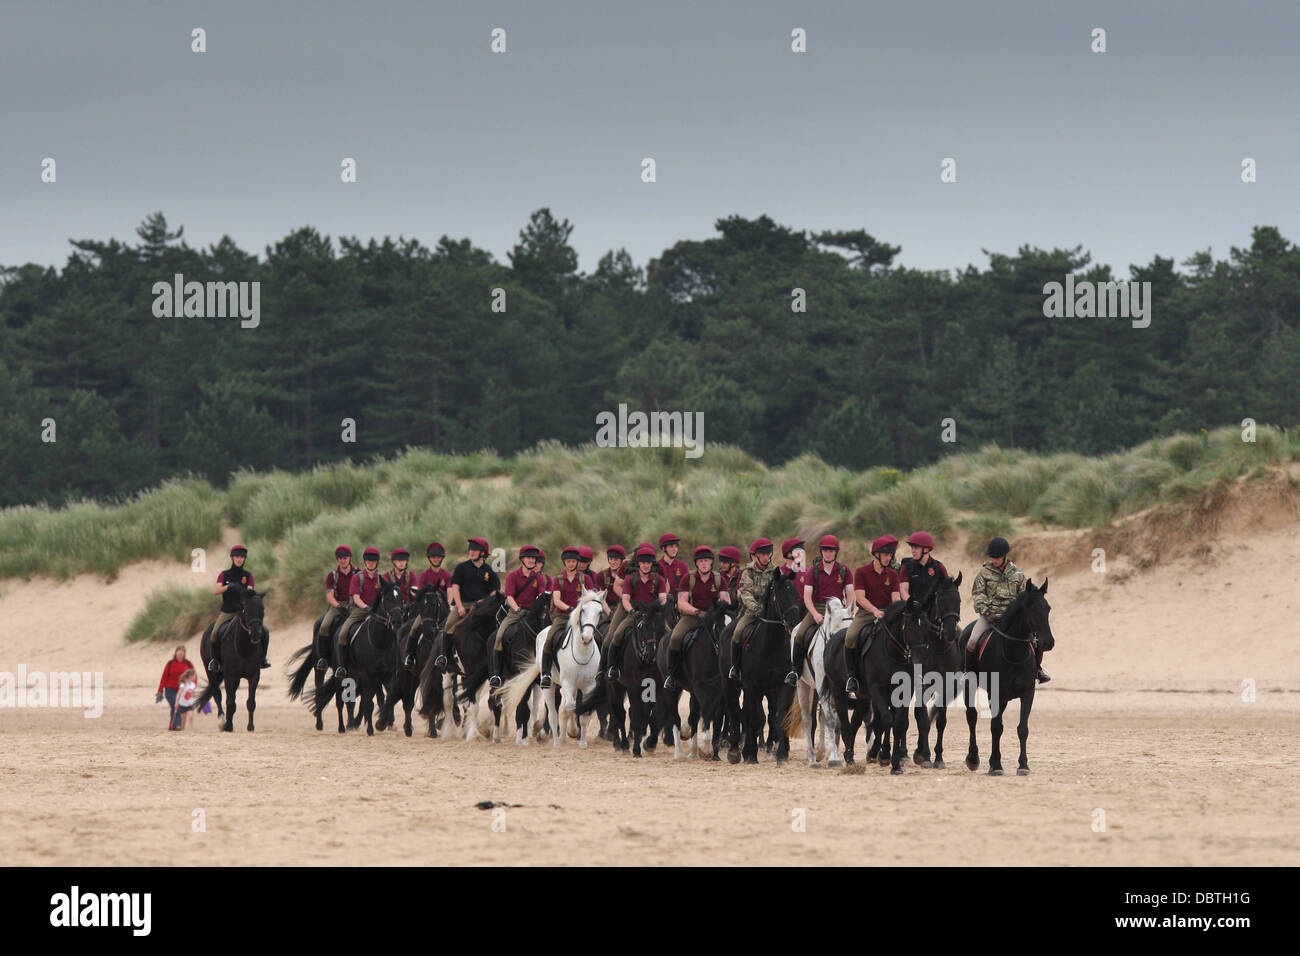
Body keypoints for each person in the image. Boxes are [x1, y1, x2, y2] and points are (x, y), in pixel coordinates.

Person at [967, 537, 1049, 683]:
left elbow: (1025, 596)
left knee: (1036, 641)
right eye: (992, 557)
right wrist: (986, 611)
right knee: (972, 641)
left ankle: (1037, 669)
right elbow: (978, 594)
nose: (994, 560)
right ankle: (969, 672)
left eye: (997, 557)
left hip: (1012, 619)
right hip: (989, 616)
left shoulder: (1018, 575)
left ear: (1005, 556)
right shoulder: (984, 573)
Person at [788, 534, 853, 686]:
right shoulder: (813, 571)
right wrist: (815, 614)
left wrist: (848, 611)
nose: (828, 554)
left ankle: (852, 674)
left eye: (831, 551)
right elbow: (807, 597)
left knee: (853, 637)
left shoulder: (844, 570)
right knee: (799, 634)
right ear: (821, 551)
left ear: (836, 552)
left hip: (838, 610)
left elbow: (850, 593)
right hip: (817, 608)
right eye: (825, 550)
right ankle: (795, 671)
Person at [664, 546, 730, 688]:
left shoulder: (719, 579)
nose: (703, 563)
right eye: (700, 561)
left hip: (714, 617)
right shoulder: (688, 578)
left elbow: (726, 601)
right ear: (696, 563)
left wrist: (715, 612)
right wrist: (698, 612)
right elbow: (682, 602)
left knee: (729, 636)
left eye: (706, 560)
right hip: (692, 616)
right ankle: (671, 674)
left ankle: (733, 669)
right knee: (675, 637)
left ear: (711, 562)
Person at [843, 536, 901, 694]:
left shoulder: (893, 574)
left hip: (887, 613)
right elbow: (860, 597)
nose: (889, 558)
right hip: (866, 613)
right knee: (850, 637)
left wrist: (895, 610)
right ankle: (851, 676)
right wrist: (875, 610)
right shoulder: (861, 572)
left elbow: (896, 597)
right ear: (877, 554)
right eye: (886, 555)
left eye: (891, 555)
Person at [436, 538, 502, 670]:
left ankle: (498, 656)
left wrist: (485, 602)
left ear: (483, 553)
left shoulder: (490, 571)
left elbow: (494, 592)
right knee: (449, 624)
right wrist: (460, 606)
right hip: (464, 604)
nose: (471, 552)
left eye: (475, 550)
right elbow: (455, 588)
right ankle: (444, 656)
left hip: (482, 608)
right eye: (470, 549)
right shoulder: (461, 568)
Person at [606, 545, 669, 679]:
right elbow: (625, 598)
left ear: (652, 563)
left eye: (648, 562)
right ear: (638, 563)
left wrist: (658, 608)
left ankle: (671, 671)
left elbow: (663, 598)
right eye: (643, 562)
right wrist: (632, 611)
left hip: (653, 614)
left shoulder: (658, 578)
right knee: (617, 634)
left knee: (670, 635)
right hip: (635, 612)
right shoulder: (630, 578)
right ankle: (611, 667)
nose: (645, 565)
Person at [489, 545, 545, 688]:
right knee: (499, 636)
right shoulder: (513, 576)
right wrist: (517, 609)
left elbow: (541, 595)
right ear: (522, 559)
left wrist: (536, 608)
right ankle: (496, 674)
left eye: (534, 558)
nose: (532, 560)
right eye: (529, 558)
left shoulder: (539, 578)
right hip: (516, 612)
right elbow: (509, 597)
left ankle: (546, 672)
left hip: (533, 613)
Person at [540, 546, 596, 688]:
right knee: (550, 638)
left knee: (599, 637)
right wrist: (570, 609)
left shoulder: (586, 579)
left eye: (573, 561)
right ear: (564, 562)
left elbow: (590, 598)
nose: (571, 564)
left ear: (577, 562)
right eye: (568, 561)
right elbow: (556, 600)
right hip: (563, 616)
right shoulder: (558, 580)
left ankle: (600, 670)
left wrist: (581, 611)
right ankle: (546, 673)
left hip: (582, 617)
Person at [726, 538, 778, 681]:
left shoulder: (775, 571)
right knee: (737, 633)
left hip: (771, 613)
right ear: (756, 555)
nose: (766, 557)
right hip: (751, 613)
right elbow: (746, 593)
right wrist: (756, 608)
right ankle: (735, 667)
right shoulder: (747, 572)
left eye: (768, 554)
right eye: (763, 554)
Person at [209, 544, 265, 670]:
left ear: (244, 559)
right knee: (214, 633)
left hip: (244, 611)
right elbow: (216, 591)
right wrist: (229, 586)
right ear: (232, 558)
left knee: (264, 631)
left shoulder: (248, 576)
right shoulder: (224, 575)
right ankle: (215, 661)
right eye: (237, 557)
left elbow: (250, 592)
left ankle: (263, 659)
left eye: (242, 557)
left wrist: (243, 590)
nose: (239, 559)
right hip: (227, 611)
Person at [337, 547, 383, 677]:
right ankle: (342, 666)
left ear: (377, 562)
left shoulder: (381, 578)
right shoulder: (357, 577)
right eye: (368, 561)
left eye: (373, 561)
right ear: (365, 561)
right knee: (343, 633)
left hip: (377, 612)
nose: (371, 563)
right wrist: (366, 607)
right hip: (360, 610)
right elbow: (356, 597)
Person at [405, 542, 452, 667]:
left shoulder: (447, 575)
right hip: (427, 611)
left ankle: (453, 655)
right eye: (433, 557)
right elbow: (420, 596)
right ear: (429, 559)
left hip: (443, 608)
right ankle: (409, 655)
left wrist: (448, 603)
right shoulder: (424, 576)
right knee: (414, 627)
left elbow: (450, 591)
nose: (436, 559)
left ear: (442, 558)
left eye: (438, 557)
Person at [317, 545, 358, 670]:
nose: (343, 560)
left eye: (345, 558)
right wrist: (339, 606)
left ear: (350, 558)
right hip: (337, 605)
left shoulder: (358, 573)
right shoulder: (332, 575)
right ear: (337, 559)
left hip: (354, 604)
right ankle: (323, 658)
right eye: (340, 558)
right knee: (324, 626)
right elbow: (330, 596)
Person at [899, 531, 948, 605]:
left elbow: (948, 589)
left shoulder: (939, 567)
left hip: (933, 608)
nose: (913, 551)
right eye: (912, 547)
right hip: (913, 608)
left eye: (916, 547)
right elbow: (903, 591)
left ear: (926, 549)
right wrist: (913, 604)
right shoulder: (906, 566)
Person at [155, 645, 195, 730]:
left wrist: (192, 687)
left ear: (184, 653)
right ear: (176, 652)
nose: (180, 653)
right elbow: (164, 677)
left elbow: (194, 676)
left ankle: (172, 725)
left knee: (178, 707)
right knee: (175, 705)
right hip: (170, 690)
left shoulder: (188, 663)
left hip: (183, 690)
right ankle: (177, 726)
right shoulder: (170, 663)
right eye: (179, 651)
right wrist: (160, 691)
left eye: (182, 651)